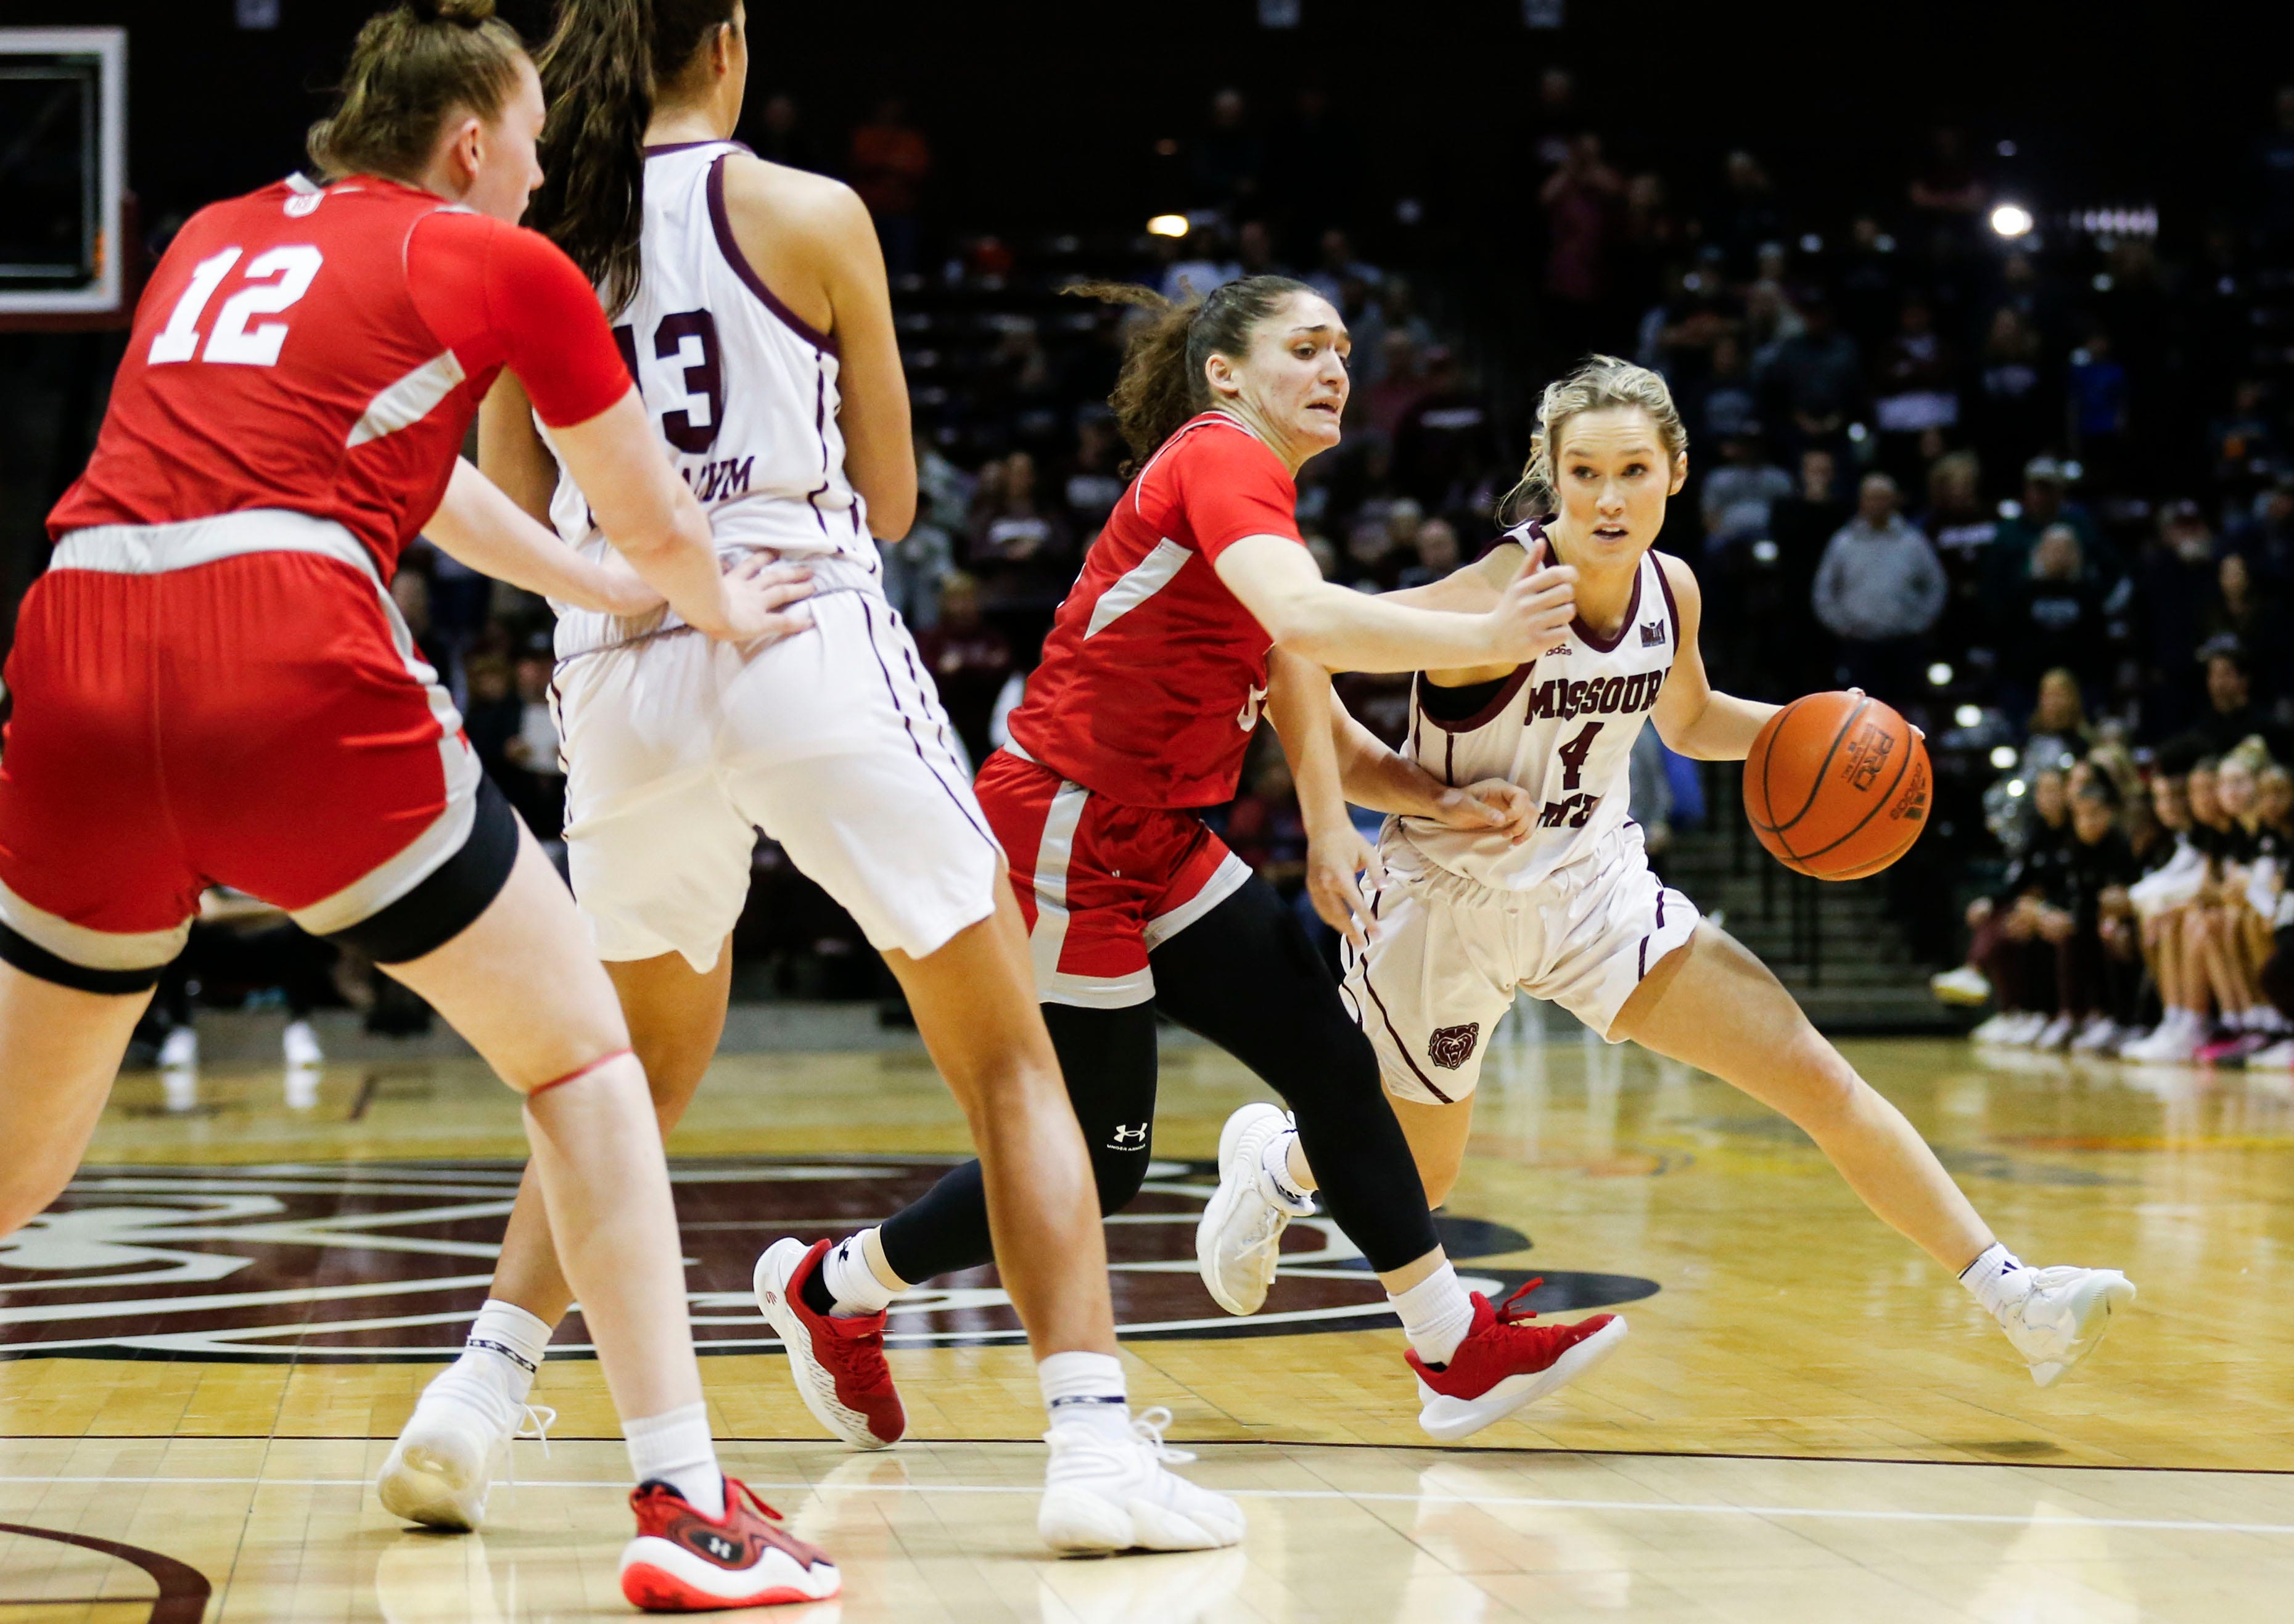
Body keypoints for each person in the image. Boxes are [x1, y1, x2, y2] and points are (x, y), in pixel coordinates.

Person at [0, 2, 836, 1610]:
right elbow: (664, 513)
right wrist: (707, 600)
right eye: (527, 138)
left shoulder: (213, 238)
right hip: (277, 650)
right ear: (470, 142)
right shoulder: (501, 259)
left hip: (80, 643)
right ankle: (684, 1499)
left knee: (19, 1165)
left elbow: (411, 472)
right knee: (585, 1052)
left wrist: (594, 581)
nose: (537, 168)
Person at [379, 0, 1237, 1559]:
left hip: (621, 670)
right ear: (728, 40)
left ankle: (474, 1394)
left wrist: (642, 566)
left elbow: (517, 505)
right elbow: (894, 495)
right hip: (801, 636)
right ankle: (1095, 1449)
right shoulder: (809, 210)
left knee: (613, 1079)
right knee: (1011, 1066)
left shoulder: (545, 241)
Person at [784, 273, 1635, 1450]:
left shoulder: (1260, 497)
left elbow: (1306, 694)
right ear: (1227, 372)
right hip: (1066, 834)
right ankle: (834, 1289)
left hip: (1166, 837)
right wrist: (1486, 634)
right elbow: (1312, 619)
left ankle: (1452, 1344)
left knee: (1334, 1061)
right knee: (1095, 1161)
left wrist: (1438, 797)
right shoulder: (1220, 453)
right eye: (1305, 346)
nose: (1336, 366)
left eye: (1344, 347)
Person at [1215, 356, 2134, 1390]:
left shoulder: (1670, 590)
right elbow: (1297, 651)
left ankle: (2019, 1297)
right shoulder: (1499, 591)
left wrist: (1830, 730)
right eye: (1586, 472)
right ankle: (1279, 1161)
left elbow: (1689, 720)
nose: (1609, 498)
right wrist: (1334, 825)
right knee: (1418, 1174)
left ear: (1677, 472)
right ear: (1550, 475)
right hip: (1445, 903)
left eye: (1635, 471)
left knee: (1816, 1074)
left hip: (1595, 890)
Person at [1810, 472, 1946, 701]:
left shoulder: (1912, 542)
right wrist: (1842, 625)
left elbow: (1936, 585)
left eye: (1883, 498)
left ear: (1894, 501)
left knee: (1904, 705)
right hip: (1859, 644)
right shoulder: (1844, 543)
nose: (1877, 504)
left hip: (1903, 643)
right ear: (1861, 501)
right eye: (1872, 498)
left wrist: (1919, 623)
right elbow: (1824, 591)